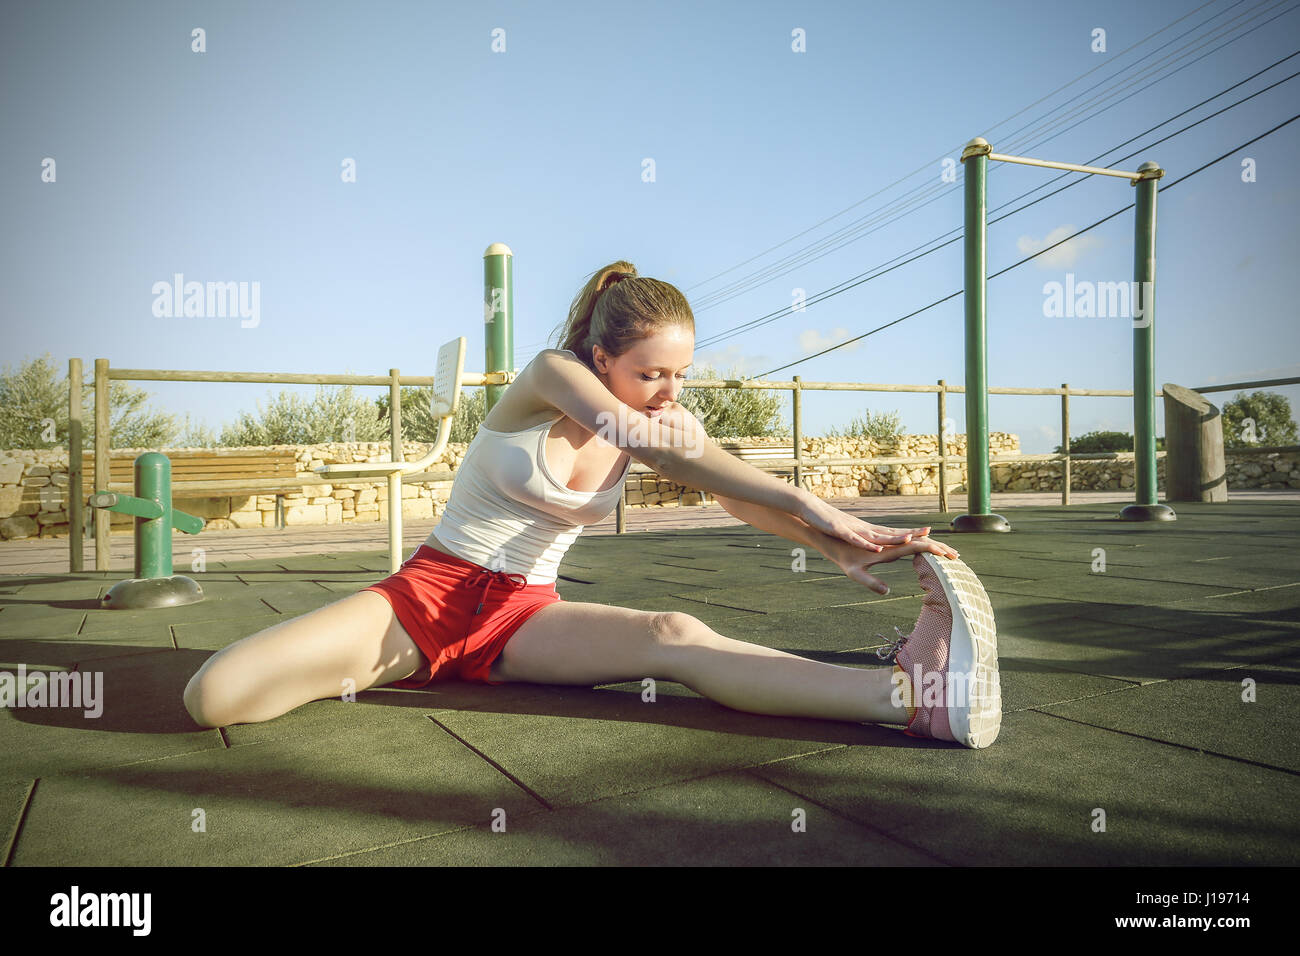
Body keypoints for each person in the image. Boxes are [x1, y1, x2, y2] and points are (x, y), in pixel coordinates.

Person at [182, 262, 1000, 748]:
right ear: (600, 356)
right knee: (212, 698)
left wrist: (831, 544)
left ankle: (911, 698)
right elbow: (643, 444)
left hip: (524, 620)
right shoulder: (545, 377)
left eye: (680, 374)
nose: (669, 391)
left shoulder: (662, 415)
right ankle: (357, 666)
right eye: (651, 373)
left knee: (673, 636)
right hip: (423, 601)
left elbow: (727, 493)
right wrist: (810, 501)